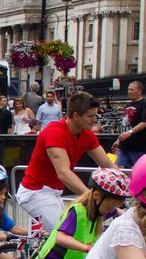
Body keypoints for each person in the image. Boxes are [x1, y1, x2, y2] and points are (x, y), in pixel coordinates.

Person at [16, 91, 116, 230]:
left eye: (95, 115)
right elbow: (63, 173)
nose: (95, 119)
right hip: (35, 193)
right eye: (90, 116)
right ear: (76, 116)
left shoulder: (87, 134)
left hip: (53, 193)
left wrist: (132, 189)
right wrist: (91, 198)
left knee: (79, 231)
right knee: (67, 233)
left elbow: (108, 165)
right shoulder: (54, 132)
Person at [114, 81, 146, 169]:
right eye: (128, 89)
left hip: (137, 147)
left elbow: (145, 122)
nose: (129, 91)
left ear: (139, 91)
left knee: (137, 170)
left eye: (132, 89)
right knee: (119, 169)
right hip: (123, 146)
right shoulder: (128, 105)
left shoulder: (144, 105)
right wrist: (118, 140)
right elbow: (124, 124)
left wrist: (130, 132)